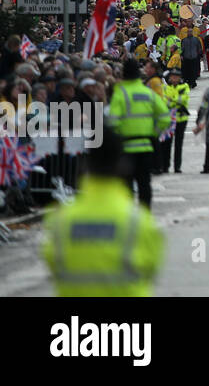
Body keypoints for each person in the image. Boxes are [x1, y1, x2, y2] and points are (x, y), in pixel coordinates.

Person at [42, 131, 165, 297]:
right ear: (124, 165)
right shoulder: (140, 222)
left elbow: (53, 263)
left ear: (84, 165)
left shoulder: (59, 220)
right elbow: (150, 269)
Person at [105, 58, 171, 209]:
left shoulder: (120, 94)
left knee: (126, 186)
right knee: (144, 184)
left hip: (126, 148)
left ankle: (128, 216)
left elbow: (112, 121)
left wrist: (118, 136)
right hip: (146, 146)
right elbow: (164, 117)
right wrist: (153, 133)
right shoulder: (147, 92)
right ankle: (145, 215)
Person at [161, 67, 191, 174]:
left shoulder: (184, 86)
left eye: (176, 77)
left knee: (178, 144)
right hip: (168, 119)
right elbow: (164, 101)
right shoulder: (165, 87)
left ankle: (177, 167)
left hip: (181, 118)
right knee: (167, 144)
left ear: (180, 78)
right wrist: (175, 100)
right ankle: (165, 166)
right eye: (172, 77)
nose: (174, 79)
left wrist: (171, 100)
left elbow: (183, 99)